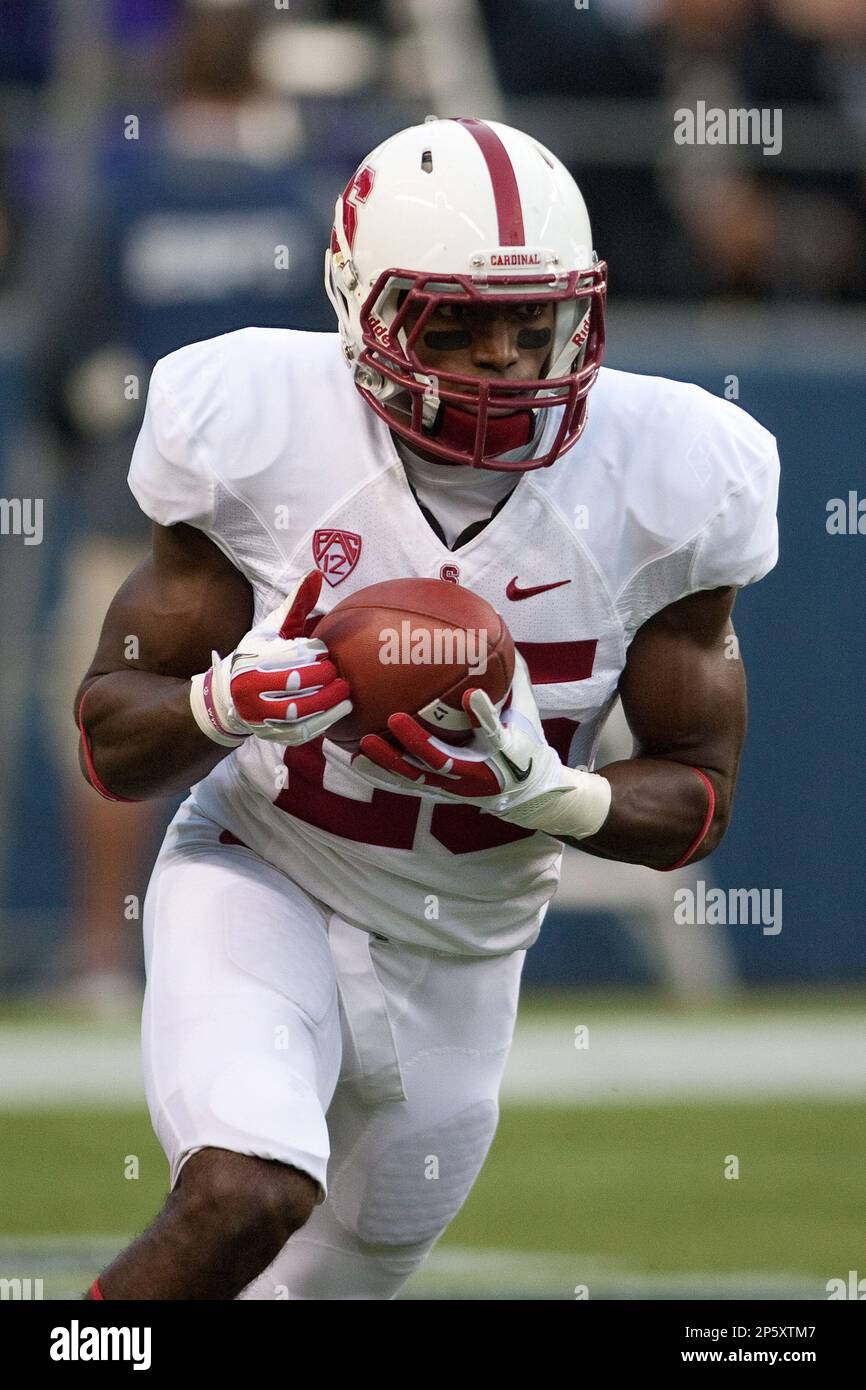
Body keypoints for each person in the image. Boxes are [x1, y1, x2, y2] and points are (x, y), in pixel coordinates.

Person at [75, 117, 780, 1300]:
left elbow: (697, 796)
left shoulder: (678, 472)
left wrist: (562, 793)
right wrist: (221, 699)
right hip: (270, 870)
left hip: (468, 946)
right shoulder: (257, 419)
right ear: (362, 309)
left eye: (534, 318)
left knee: (309, 1287)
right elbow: (112, 735)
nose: (506, 355)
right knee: (247, 1190)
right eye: (457, 319)